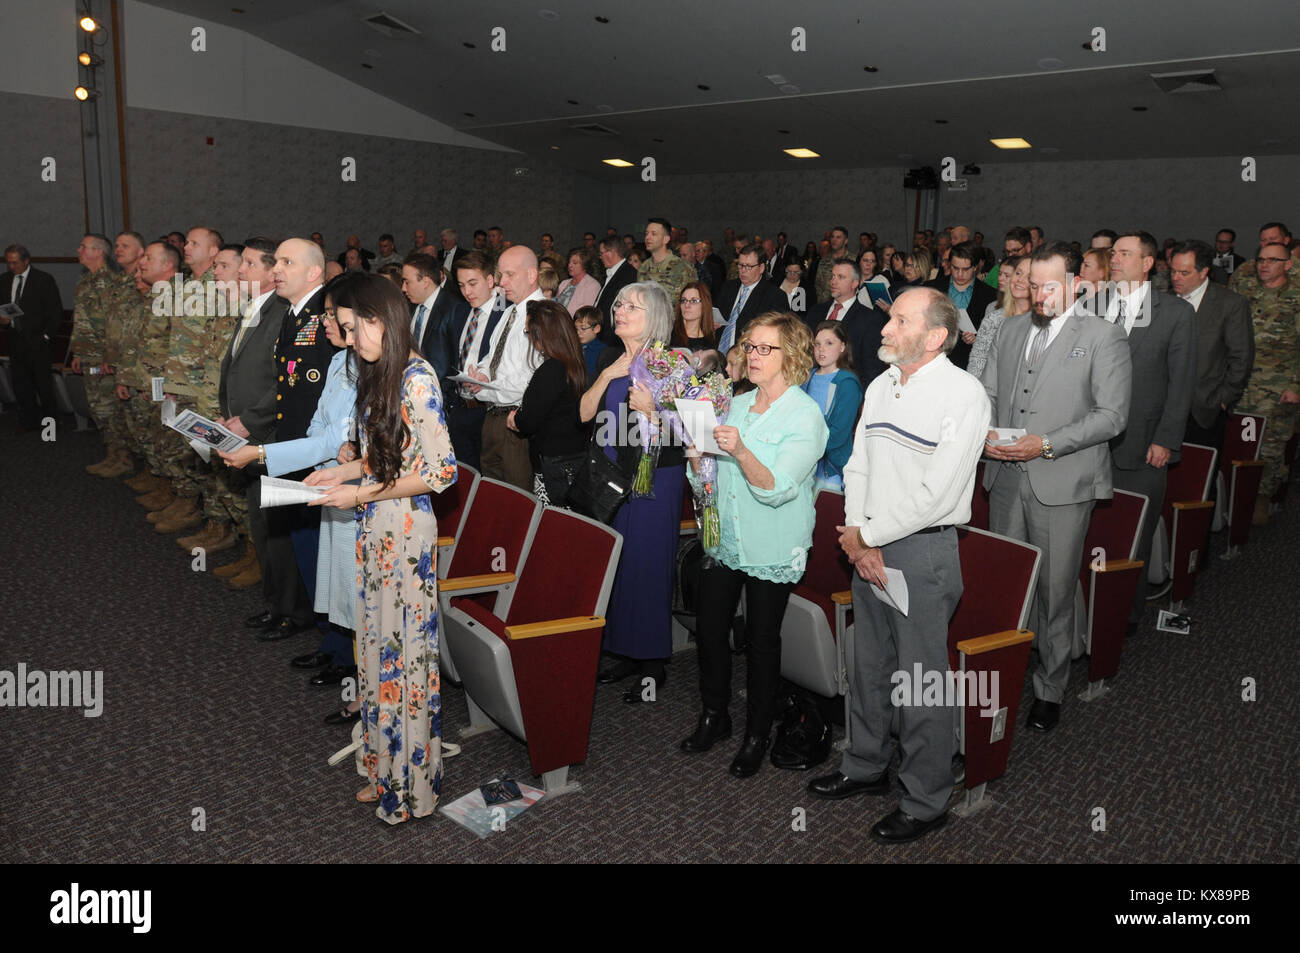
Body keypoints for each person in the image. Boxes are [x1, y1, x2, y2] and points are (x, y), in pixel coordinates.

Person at [806, 287, 988, 844]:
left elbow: (939, 492)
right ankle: (863, 765)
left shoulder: (964, 394)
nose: (884, 328)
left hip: (922, 551)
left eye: (899, 321)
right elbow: (858, 464)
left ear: (935, 337)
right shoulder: (884, 383)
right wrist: (859, 536)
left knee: (919, 682)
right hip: (871, 542)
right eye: (889, 318)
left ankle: (926, 798)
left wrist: (868, 536)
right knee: (869, 666)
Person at [304, 273, 457, 824]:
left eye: (352, 328)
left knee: (403, 657)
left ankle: (411, 785)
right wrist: (340, 472)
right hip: (377, 523)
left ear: (378, 319)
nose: (348, 340)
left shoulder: (417, 380)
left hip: (405, 532)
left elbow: (440, 472)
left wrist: (359, 491)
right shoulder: (383, 374)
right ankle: (383, 766)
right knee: (376, 653)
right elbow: (385, 456)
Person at [982, 241, 1131, 732]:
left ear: (1075, 285)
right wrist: (982, 433)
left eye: (1049, 285)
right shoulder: (1009, 329)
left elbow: (1111, 417)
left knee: (1055, 591)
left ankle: (1050, 687)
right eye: (1032, 282)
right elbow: (991, 393)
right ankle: (1003, 676)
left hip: (1063, 483)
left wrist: (1044, 444)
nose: (1038, 294)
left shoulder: (1104, 336)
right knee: (1005, 584)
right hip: (1005, 477)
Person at [679, 312, 828, 777]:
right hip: (728, 536)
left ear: (793, 356)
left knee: (762, 641)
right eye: (751, 347)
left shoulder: (805, 415)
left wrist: (741, 451)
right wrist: (698, 460)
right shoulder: (739, 403)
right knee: (709, 626)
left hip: (773, 538)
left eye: (767, 348)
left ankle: (757, 734)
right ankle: (715, 715)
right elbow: (712, 484)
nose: (754, 356)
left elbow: (778, 487)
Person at [221, 274, 362, 705]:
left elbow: (340, 440)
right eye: (324, 315)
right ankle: (339, 653)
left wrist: (261, 455)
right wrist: (271, 456)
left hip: (354, 488)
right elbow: (324, 432)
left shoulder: (374, 368)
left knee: (351, 583)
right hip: (323, 477)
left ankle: (355, 670)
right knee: (330, 575)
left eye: (332, 316)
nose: (325, 324)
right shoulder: (340, 361)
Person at [580, 282, 684, 702]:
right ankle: (625, 649)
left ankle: (653, 661)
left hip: (654, 478)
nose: (620, 310)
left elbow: (689, 431)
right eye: (619, 303)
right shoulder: (608, 356)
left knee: (649, 566)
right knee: (618, 564)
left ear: (653, 317)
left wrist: (654, 410)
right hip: (611, 476)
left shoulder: (670, 363)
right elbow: (583, 413)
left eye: (632, 306)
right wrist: (607, 375)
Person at [1104, 231, 1196, 620]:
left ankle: (1124, 618)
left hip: (1143, 445)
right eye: (1112, 253)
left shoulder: (1175, 312)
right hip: (1090, 445)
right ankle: (1094, 613)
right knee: (1094, 536)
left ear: (1146, 263)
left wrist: (1166, 439)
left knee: (1131, 537)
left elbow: (1182, 381)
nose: (1114, 259)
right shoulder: (1090, 306)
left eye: (1124, 254)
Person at [1232, 241, 1300, 524]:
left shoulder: (1296, 297)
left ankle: (1261, 496)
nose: (1264, 264)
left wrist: (1296, 385)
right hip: (1241, 381)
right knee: (1239, 443)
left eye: (1273, 260)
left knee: (1270, 445)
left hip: (1278, 386)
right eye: (1260, 259)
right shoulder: (1244, 291)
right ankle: (1238, 496)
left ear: (1288, 265)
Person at [507, 299, 590, 505]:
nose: (529, 339)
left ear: (541, 335)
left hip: (554, 462)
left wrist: (515, 418)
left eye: (529, 333)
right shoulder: (575, 362)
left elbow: (528, 421)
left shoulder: (551, 370)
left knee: (555, 524)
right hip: (574, 457)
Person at [1, 244, 64, 431]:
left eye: (15, 262)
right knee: (21, 384)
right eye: (8, 263)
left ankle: (50, 426)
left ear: (26, 261)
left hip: (38, 341)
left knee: (44, 386)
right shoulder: (4, 280)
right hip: (15, 339)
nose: (12, 267)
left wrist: (45, 337)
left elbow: (55, 313)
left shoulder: (43, 279)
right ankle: (28, 422)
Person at [802, 321, 864, 490]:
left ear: (843, 347)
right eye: (817, 344)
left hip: (832, 466)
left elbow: (839, 433)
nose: (821, 349)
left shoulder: (847, 382)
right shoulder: (807, 377)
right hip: (803, 462)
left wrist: (804, 447)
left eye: (829, 343)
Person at [969, 256, 1029, 381]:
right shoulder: (994, 315)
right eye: (1000, 274)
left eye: (1007, 275)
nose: (1001, 278)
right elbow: (979, 358)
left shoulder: (1041, 318)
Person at [671, 281, 718, 351]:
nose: (687, 305)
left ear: (704, 305)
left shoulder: (711, 341)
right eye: (683, 300)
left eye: (694, 301)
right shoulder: (669, 333)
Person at [557, 247, 601, 315]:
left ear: (584, 265)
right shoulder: (564, 283)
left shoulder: (592, 285)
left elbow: (588, 314)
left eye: (575, 263)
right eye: (569, 262)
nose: (570, 265)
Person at [574, 305, 605, 383]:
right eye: (576, 328)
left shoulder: (603, 351)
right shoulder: (572, 346)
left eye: (583, 328)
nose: (578, 332)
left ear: (596, 329)